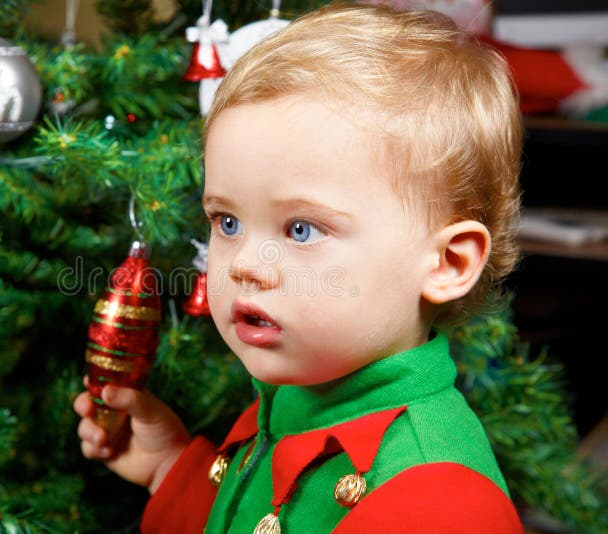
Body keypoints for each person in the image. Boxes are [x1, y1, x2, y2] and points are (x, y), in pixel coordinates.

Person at [75, 2, 524, 532]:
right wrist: (170, 467)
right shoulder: (292, 397)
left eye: (301, 230)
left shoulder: (439, 504)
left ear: (446, 262)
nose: (244, 265)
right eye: (227, 222)